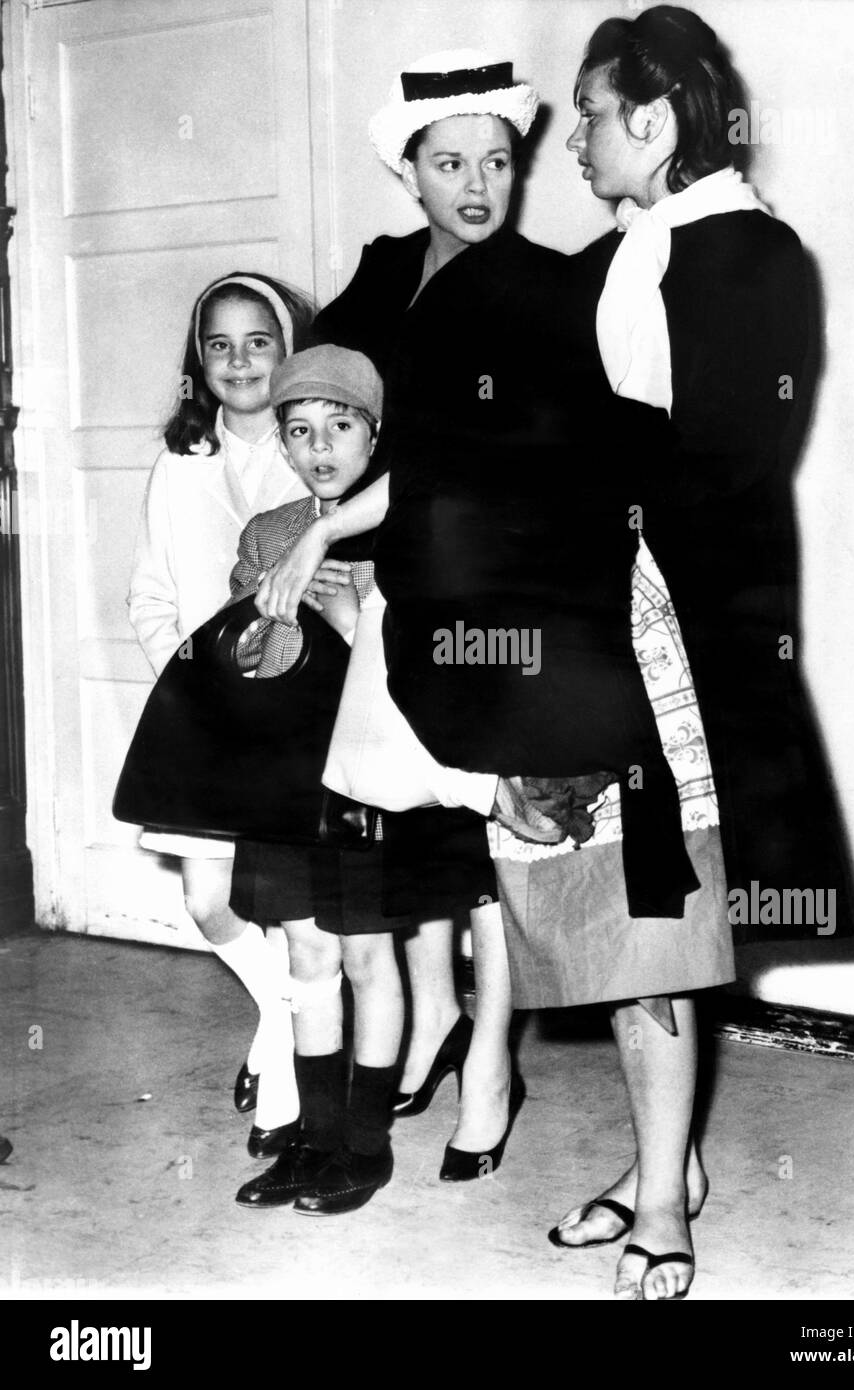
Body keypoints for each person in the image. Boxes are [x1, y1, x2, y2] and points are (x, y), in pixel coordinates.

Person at [256, 51, 695, 1183]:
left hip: (495, 600)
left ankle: (490, 1067)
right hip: (388, 589)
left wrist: (342, 529)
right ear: (408, 171)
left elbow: (526, 462)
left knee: (499, 843)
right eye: (450, 161)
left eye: (497, 160)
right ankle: (412, 1047)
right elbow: (326, 399)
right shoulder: (384, 273)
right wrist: (308, 522)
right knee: (392, 833)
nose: (477, 182)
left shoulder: (543, 287)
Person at [543, 5, 851, 1298]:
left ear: (653, 122)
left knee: (660, 912)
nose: (572, 139)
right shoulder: (614, 257)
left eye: (591, 114)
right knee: (627, 918)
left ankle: (663, 1196)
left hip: (691, 647)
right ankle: (663, 1164)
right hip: (611, 633)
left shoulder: (750, 256)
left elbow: (721, 466)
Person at [128, 272, 316, 1156]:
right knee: (211, 902)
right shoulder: (180, 463)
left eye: (258, 341)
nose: (240, 361)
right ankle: (284, 1016)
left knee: (295, 908)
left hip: (302, 719)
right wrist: (194, 683)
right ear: (198, 362)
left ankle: (283, 1087)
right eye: (219, 344)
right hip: (209, 718)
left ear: (288, 350)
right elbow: (150, 596)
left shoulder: (316, 445)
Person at [229, 345, 410, 1214]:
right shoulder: (267, 534)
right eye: (298, 431)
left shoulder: (403, 528)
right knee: (308, 954)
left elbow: (420, 672)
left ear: (375, 436)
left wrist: (349, 615)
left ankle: (365, 1146)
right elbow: (242, 664)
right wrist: (270, 615)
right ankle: (316, 1134)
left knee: (370, 954)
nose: (320, 447)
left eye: (341, 426)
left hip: (370, 775)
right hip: (289, 774)